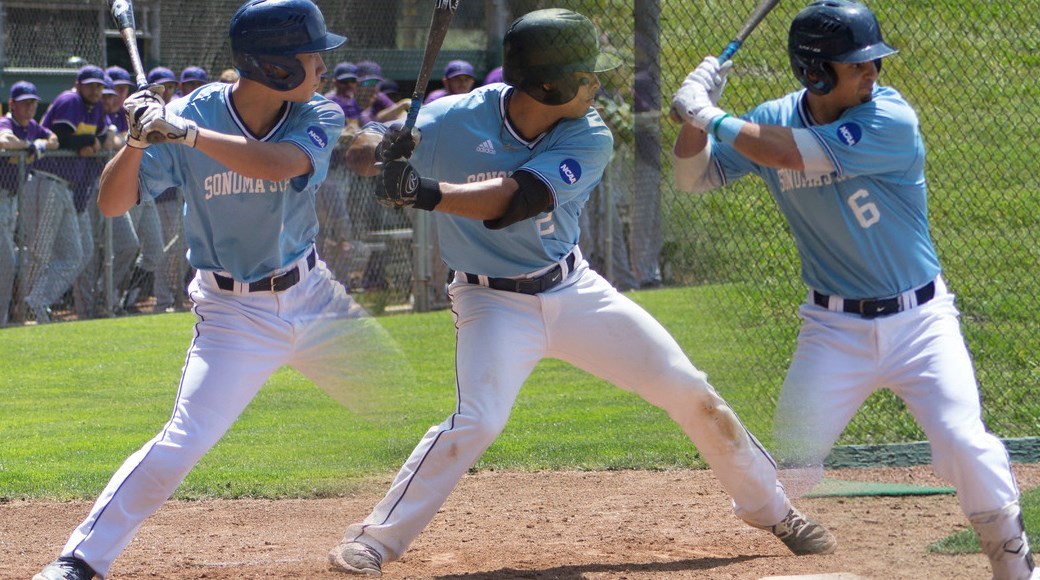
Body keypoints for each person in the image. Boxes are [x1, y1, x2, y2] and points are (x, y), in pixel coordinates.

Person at [328, 8, 836, 576]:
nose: (597, 84)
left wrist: (421, 191)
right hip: (489, 302)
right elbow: (356, 150)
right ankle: (374, 541)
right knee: (478, 421)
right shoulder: (450, 119)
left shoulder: (588, 132)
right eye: (587, 75)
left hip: (574, 291)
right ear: (550, 85)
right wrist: (382, 146)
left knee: (691, 390)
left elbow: (513, 199)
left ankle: (774, 510)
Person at [670, 2, 1035, 579]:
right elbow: (691, 178)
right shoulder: (772, 118)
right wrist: (694, 121)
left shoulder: (892, 120)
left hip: (921, 323)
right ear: (815, 72)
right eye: (857, 64)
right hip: (832, 330)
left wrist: (710, 115)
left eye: (873, 62)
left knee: (964, 443)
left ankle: (1015, 564)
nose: (872, 73)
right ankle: (778, 519)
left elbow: (790, 153)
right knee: (785, 465)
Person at [29, 0, 381, 578]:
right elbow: (113, 203)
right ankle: (79, 562)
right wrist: (139, 140)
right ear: (276, 68)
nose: (322, 65)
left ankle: (383, 536)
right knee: (182, 443)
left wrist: (185, 134)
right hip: (233, 313)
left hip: (311, 291)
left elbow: (280, 165)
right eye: (311, 54)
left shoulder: (315, 113)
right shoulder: (192, 111)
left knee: (403, 401)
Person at [37, 64, 110, 320]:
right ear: (78, 85)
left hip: (69, 188)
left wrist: (95, 141)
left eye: (99, 86)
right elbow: (62, 137)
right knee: (40, 251)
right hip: (47, 180)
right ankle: (30, 305)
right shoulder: (69, 100)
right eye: (90, 85)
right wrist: (89, 142)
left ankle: (37, 300)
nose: (95, 90)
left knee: (81, 252)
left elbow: (102, 136)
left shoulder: (96, 107)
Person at [0, 81, 58, 325]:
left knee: (10, 262)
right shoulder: (7, 122)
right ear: (12, 104)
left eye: (33, 102)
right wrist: (29, 146)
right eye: (25, 103)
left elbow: (54, 140)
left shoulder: (33, 126)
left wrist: (40, 144)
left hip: (13, 200)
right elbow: (4, 141)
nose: (30, 107)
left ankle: (4, 318)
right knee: (7, 261)